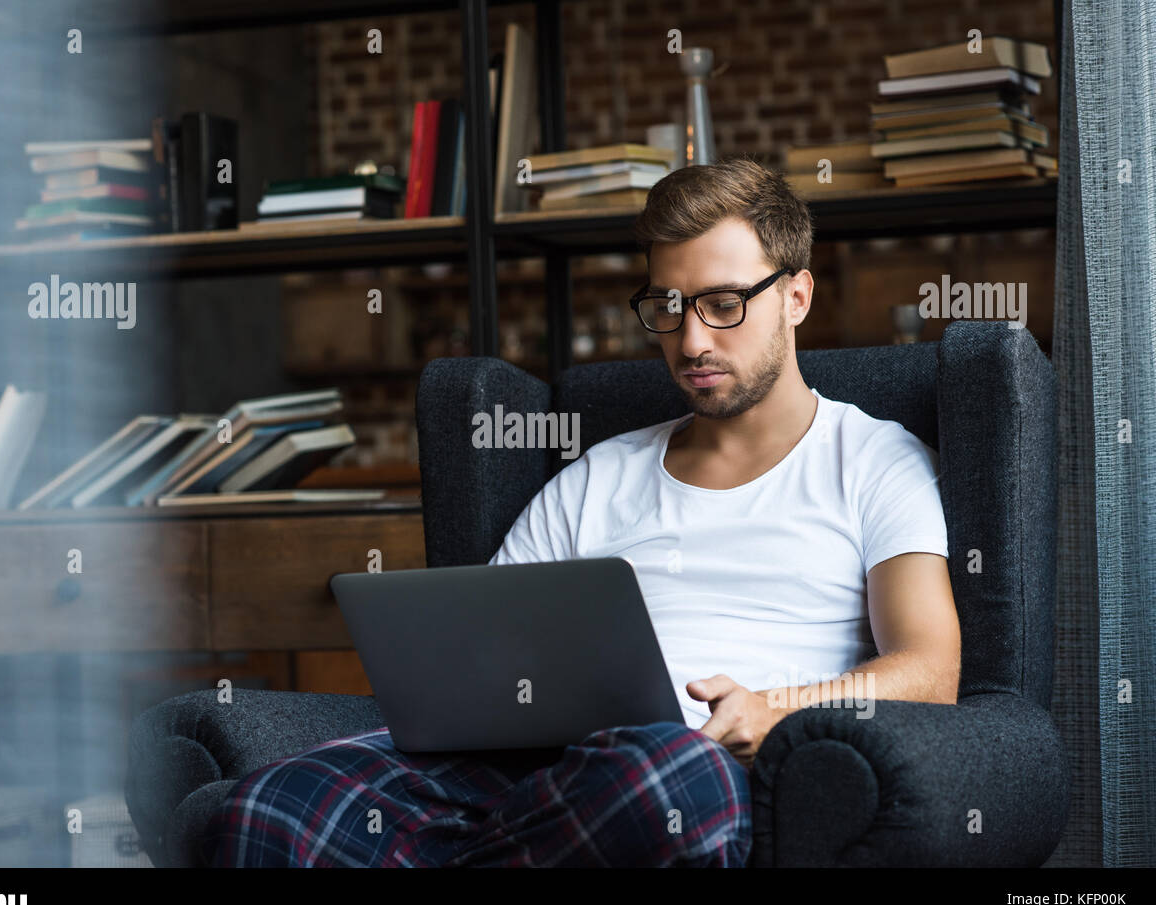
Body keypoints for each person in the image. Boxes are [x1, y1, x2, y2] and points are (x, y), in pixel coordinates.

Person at [202, 157, 961, 867]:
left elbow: (932, 669)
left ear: (796, 296)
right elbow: (477, 648)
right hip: (534, 779)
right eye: (667, 306)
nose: (691, 339)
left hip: (691, 771)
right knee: (266, 807)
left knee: (664, 783)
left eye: (724, 305)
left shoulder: (874, 461)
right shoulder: (599, 474)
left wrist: (778, 709)